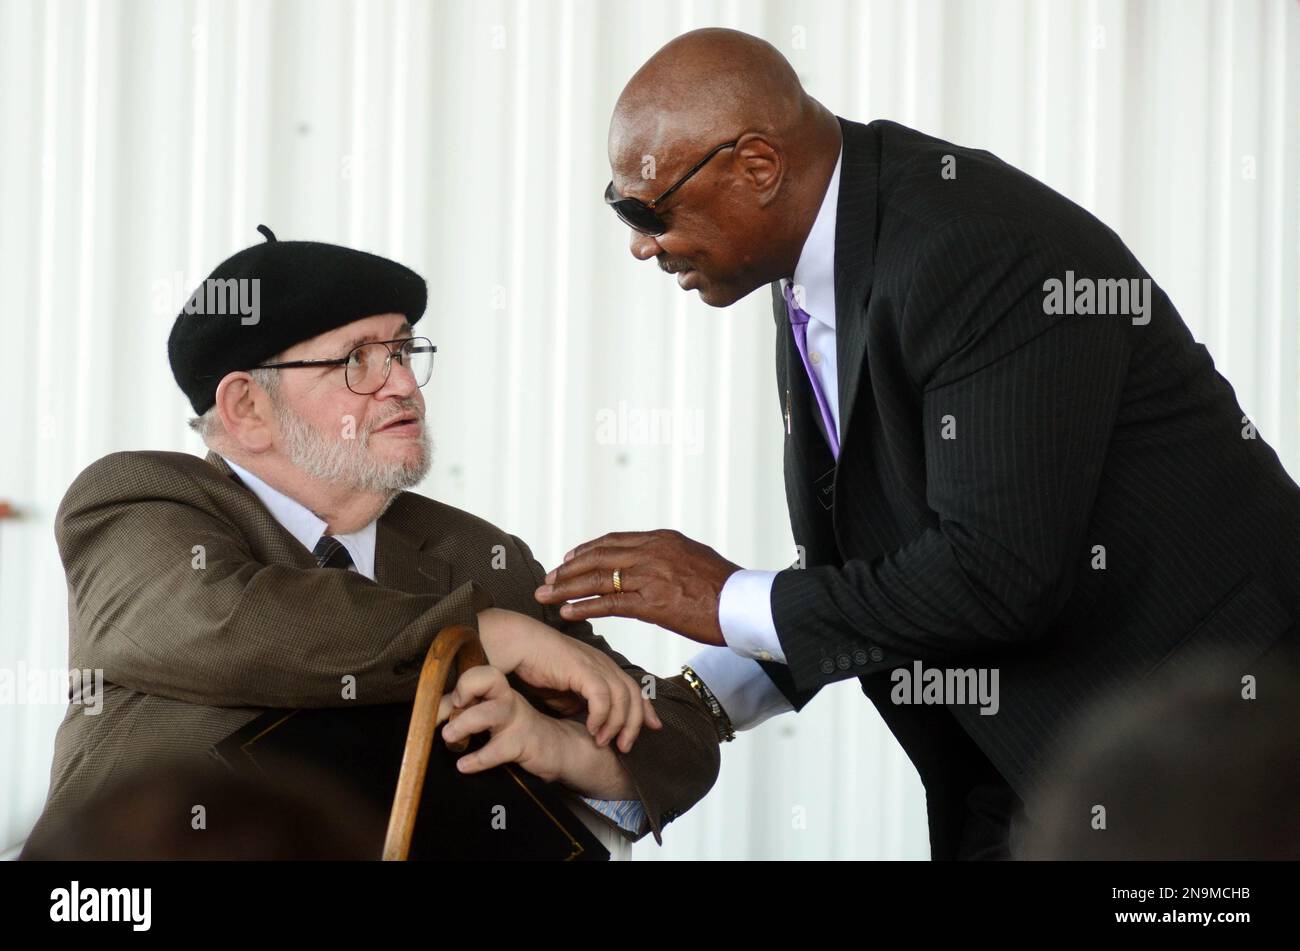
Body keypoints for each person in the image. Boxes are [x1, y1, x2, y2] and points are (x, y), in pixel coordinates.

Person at [535, 28, 1300, 859]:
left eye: (649, 209)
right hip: (1038, 772)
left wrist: (724, 599)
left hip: (1222, 763)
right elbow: (882, 566)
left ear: (756, 167)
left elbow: (996, 576)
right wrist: (690, 701)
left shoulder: (971, 247)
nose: (642, 243)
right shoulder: (814, 266)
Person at [24, 227, 721, 855]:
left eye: (404, 349)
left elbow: (680, 735)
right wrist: (476, 634)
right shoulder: (142, 501)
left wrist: (562, 747)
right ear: (246, 408)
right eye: (358, 359)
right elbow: (222, 622)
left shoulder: (473, 553)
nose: (404, 384)